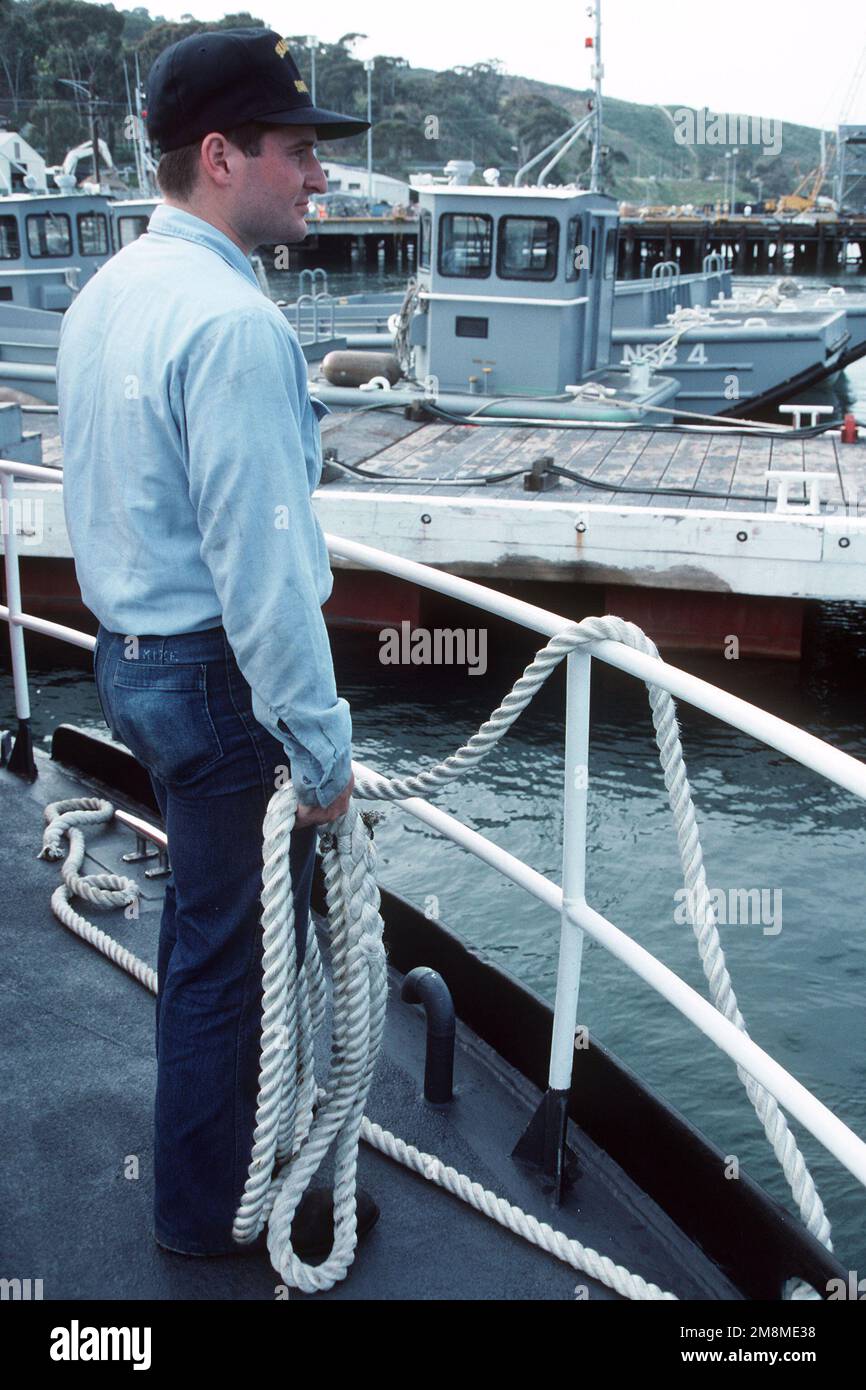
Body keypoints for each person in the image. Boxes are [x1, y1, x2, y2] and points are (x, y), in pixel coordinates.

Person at [56, 27, 379, 1260]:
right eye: (296, 151)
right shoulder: (235, 328)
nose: (319, 177)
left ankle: (224, 1179)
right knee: (229, 962)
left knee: (211, 936)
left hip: (131, 659)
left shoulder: (111, 295)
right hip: (214, 678)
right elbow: (264, 572)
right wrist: (324, 747)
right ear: (218, 155)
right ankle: (207, 1216)